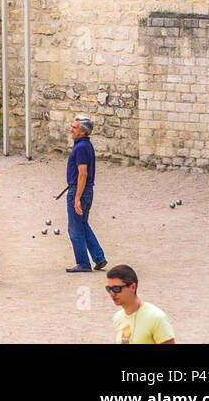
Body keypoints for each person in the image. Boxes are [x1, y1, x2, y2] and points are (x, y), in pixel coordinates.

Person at [64, 117, 107, 273]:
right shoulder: (85, 145)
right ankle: (99, 257)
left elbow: (83, 173)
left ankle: (83, 263)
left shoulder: (81, 147)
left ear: (83, 131)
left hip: (80, 190)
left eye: (74, 127)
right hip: (85, 190)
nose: (71, 129)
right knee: (82, 224)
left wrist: (76, 198)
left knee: (75, 229)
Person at [106, 264, 175, 344]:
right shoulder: (118, 317)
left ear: (132, 287)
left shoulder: (156, 318)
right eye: (109, 289)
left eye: (116, 289)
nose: (112, 293)